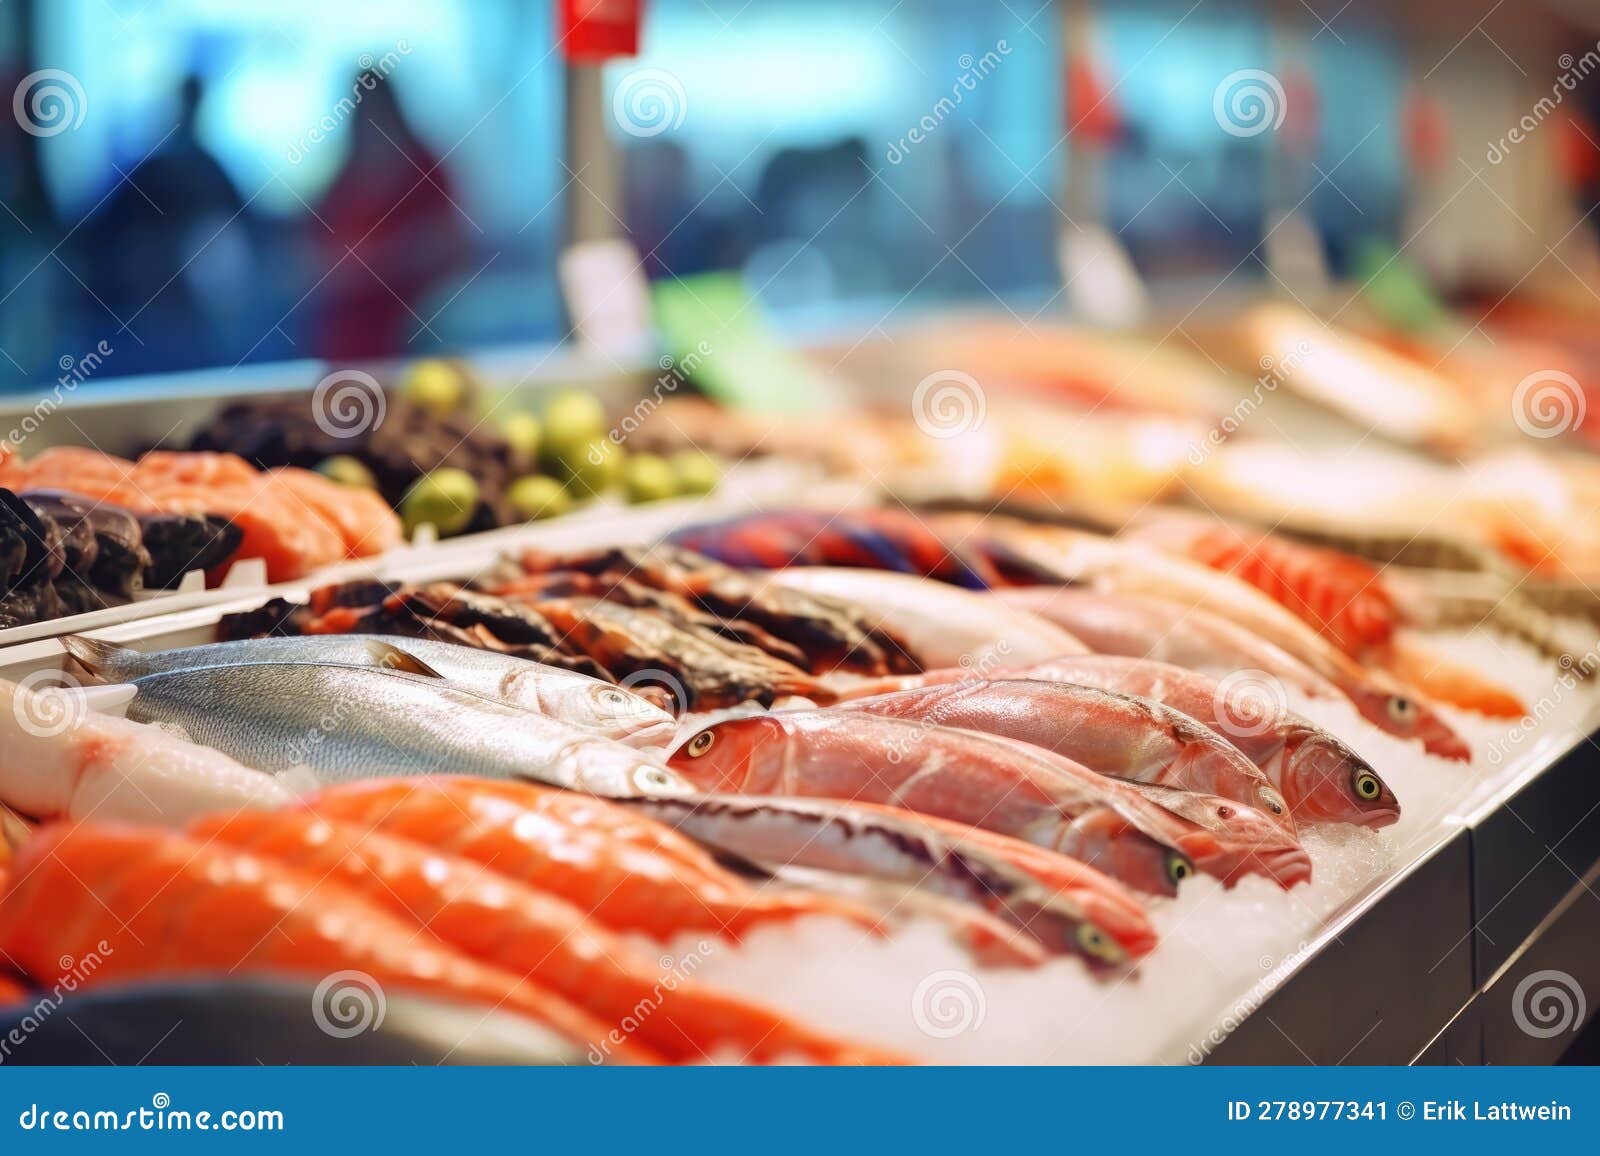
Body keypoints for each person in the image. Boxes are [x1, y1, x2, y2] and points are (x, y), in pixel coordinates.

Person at [77, 73, 253, 372]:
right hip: (143, 322)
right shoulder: (149, 170)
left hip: (195, 326)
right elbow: (100, 235)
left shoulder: (210, 171)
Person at [311, 71, 462, 360]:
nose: (370, 113)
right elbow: (316, 262)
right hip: (350, 339)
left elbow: (444, 243)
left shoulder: (424, 169)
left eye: (376, 103)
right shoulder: (342, 178)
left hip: (417, 330)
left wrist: (377, 261)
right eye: (361, 103)